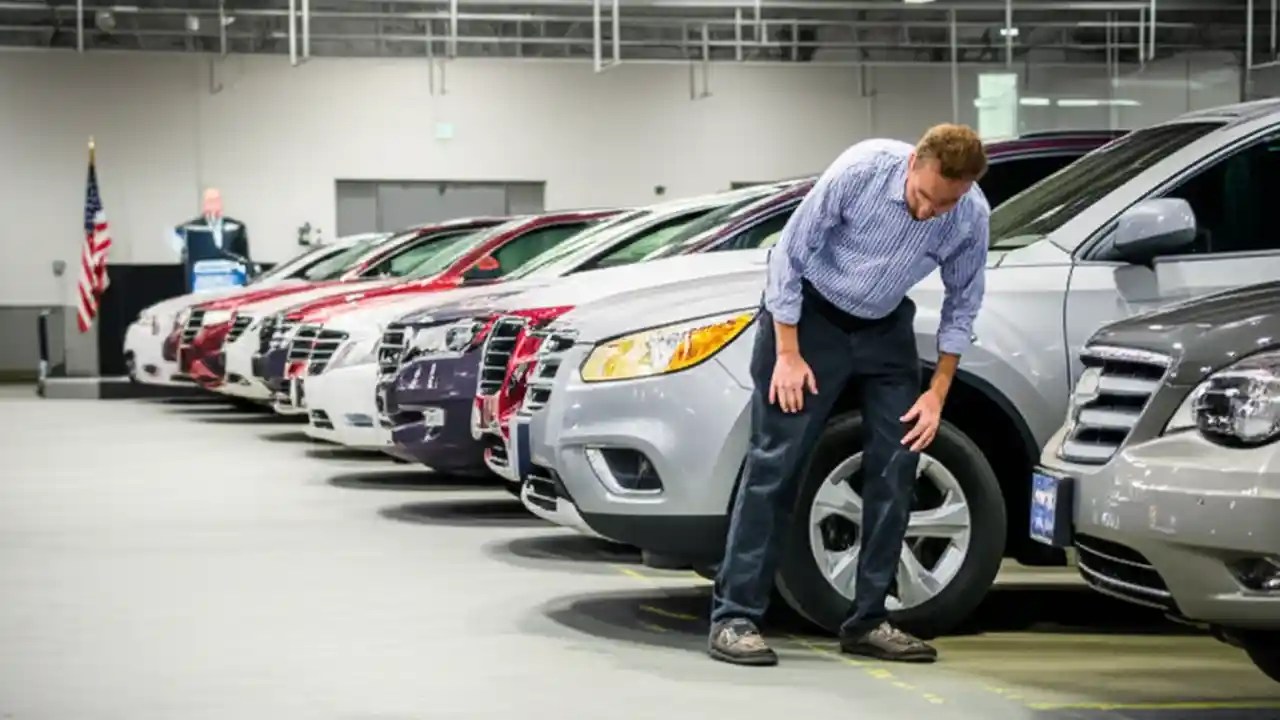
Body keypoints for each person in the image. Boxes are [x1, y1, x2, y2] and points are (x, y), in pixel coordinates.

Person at [707, 124, 990, 667]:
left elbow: (964, 303)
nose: (931, 211)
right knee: (776, 464)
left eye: (946, 202)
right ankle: (735, 616)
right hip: (809, 320)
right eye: (925, 196)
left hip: (884, 328)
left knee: (898, 462)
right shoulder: (861, 171)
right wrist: (788, 354)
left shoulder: (970, 214)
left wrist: (937, 393)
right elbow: (788, 255)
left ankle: (869, 620)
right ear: (913, 164)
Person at [173, 188, 252, 290]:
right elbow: (185, 261)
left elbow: (244, 257)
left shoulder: (236, 227)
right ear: (204, 204)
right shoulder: (189, 229)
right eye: (210, 201)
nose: (214, 204)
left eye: (216, 200)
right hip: (203, 285)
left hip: (232, 283)